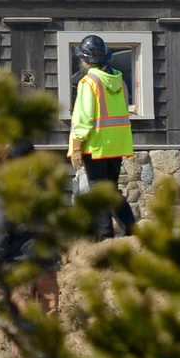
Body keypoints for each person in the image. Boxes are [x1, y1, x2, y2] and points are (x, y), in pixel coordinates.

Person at [67, 34, 139, 238]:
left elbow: (84, 118)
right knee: (111, 190)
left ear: (86, 60)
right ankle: (130, 229)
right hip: (116, 145)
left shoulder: (89, 82)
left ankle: (105, 236)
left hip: (96, 145)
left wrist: (77, 147)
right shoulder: (118, 81)